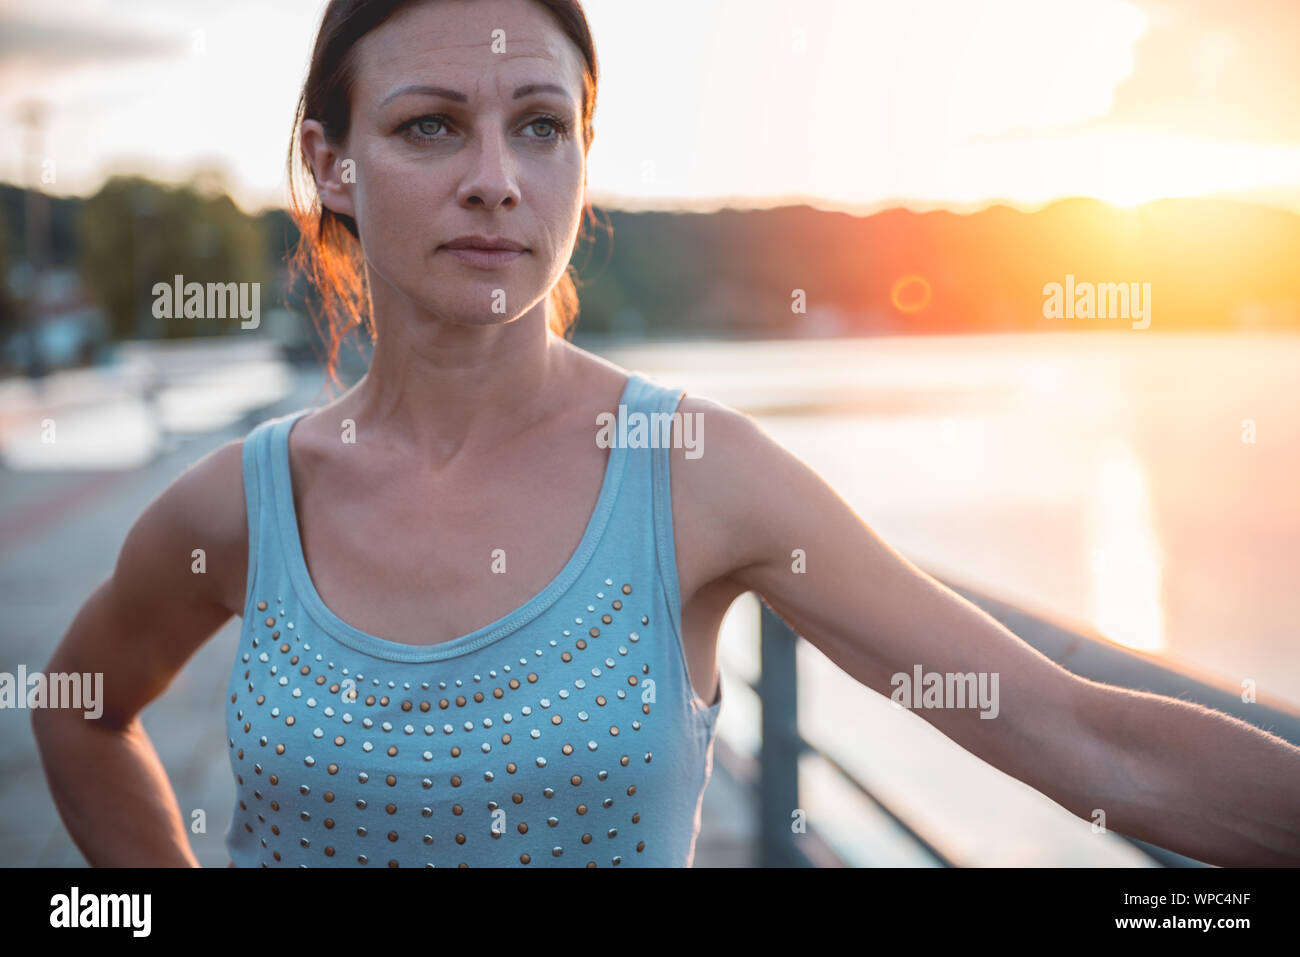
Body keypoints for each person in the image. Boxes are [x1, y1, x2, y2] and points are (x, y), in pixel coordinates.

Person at [32, 0, 1300, 868]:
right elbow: (79, 711)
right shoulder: (239, 506)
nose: (498, 177)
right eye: (430, 125)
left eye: (539, 125)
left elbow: (1079, 734)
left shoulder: (699, 478)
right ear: (333, 162)